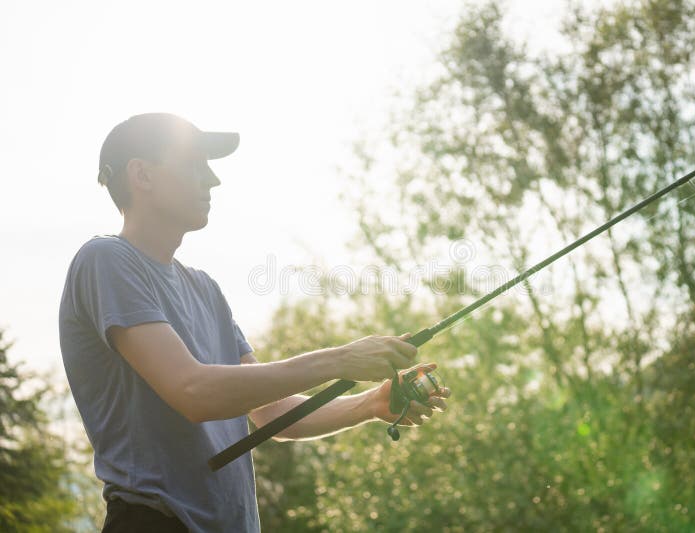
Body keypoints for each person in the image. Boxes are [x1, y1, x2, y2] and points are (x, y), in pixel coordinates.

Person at [58, 113, 450, 532]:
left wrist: (370, 404)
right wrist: (341, 359)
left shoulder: (205, 289)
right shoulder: (105, 260)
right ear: (142, 174)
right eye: (194, 164)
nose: (212, 179)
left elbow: (274, 413)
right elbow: (193, 392)